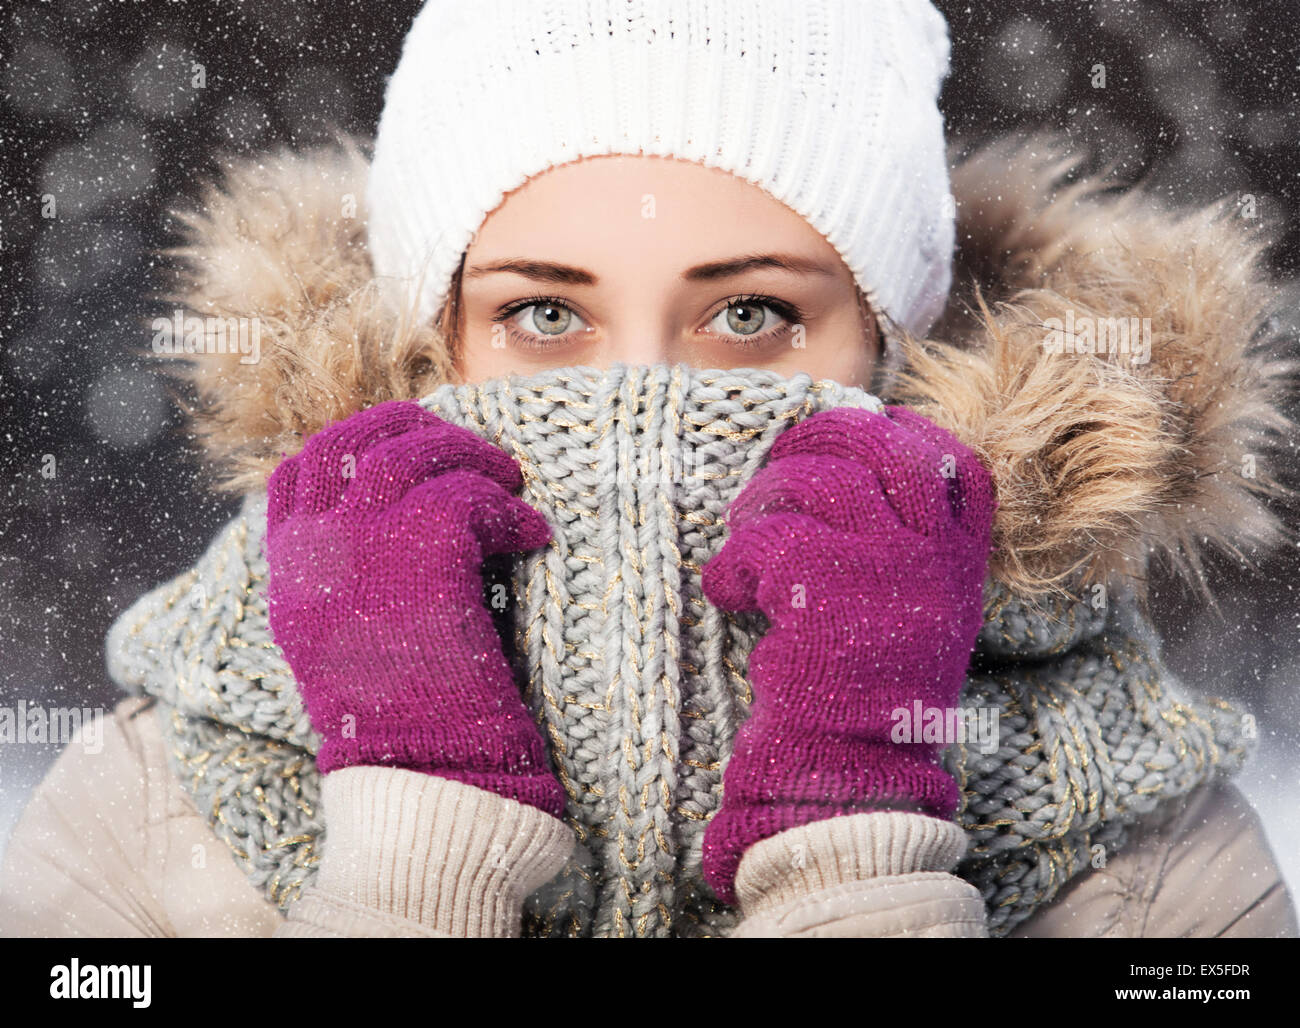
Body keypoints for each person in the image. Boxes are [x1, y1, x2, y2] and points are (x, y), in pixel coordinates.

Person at [2, 0, 1295, 938]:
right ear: (430, 338)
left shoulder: (1137, 836)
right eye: (547, 317)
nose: (640, 398)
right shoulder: (165, 793)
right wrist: (406, 845)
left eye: (749, 316)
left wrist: (855, 841)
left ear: (892, 351)